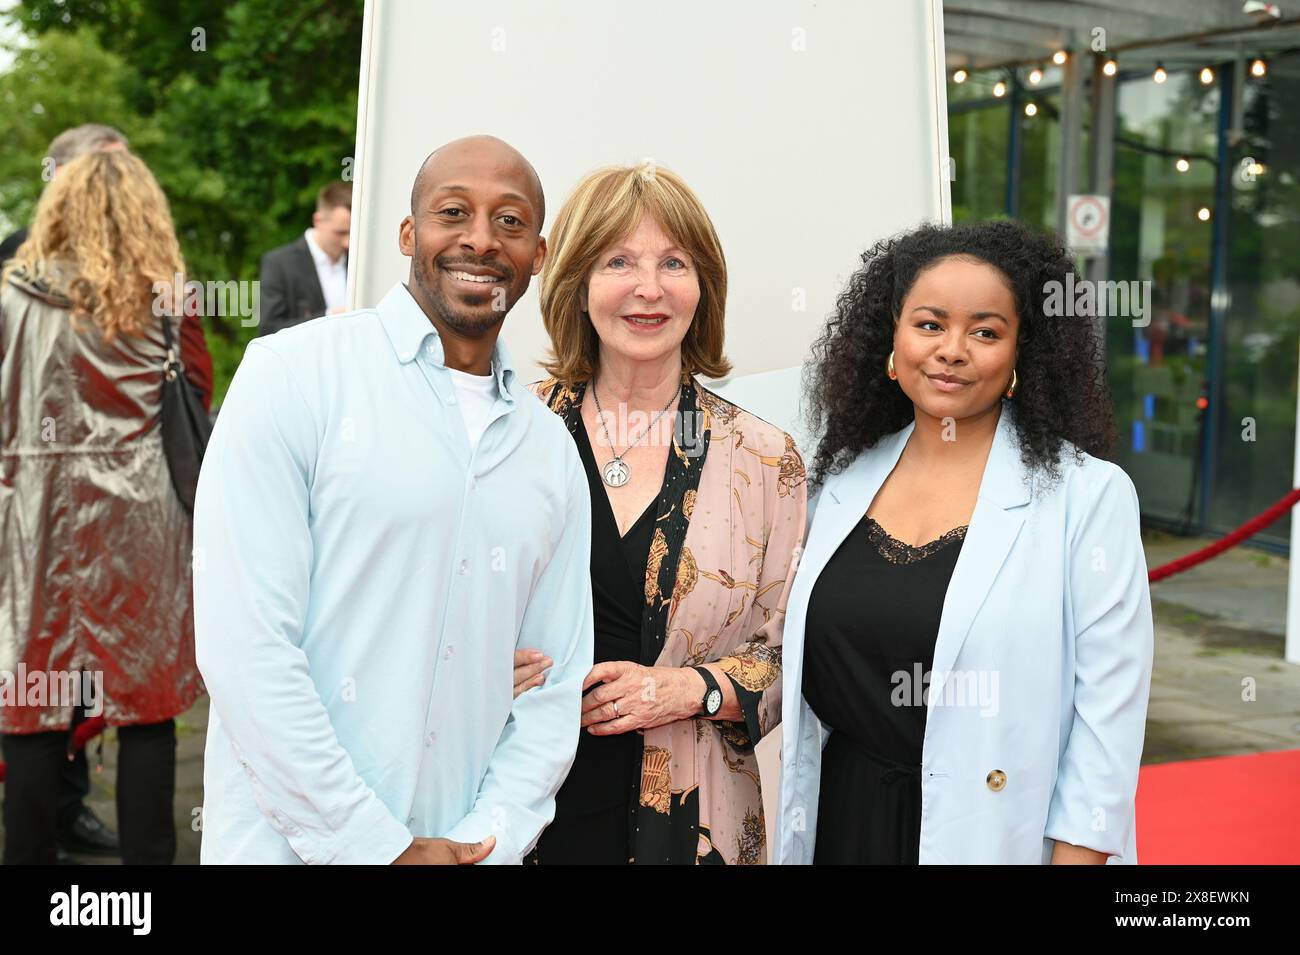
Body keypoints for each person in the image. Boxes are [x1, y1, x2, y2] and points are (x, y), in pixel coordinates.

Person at [193, 135, 593, 864]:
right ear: (409, 234)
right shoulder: (293, 377)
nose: (480, 238)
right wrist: (377, 847)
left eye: (510, 220)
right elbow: (246, 646)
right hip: (286, 849)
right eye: (453, 212)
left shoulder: (550, 450)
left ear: (538, 252)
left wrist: (485, 842)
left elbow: (553, 684)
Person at [776, 220, 1154, 865]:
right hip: (844, 822)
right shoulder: (835, 482)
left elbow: (1108, 717)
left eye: (985, 331)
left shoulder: (1087, 497)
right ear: (892, 341)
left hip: (991, 831)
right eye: (929, 324)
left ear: (1019, 357)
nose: (952, 350)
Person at [518, 161, 807, 865]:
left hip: (690, 822)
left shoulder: (766, 459)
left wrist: (684, 689)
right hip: (521, 813)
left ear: (702, 287)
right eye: (618, 260)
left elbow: (800, 658)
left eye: (673, 262)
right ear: (577, 283)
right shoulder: (511, 432)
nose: (648, 287)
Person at [0, 151, 207, 865]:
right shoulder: (168, 296)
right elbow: (197, 395)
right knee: (147, 710)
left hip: (32, 521)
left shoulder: (7, 294)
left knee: (30, 704)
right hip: (140, 520)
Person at [256, 180, 352, 336]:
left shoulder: (359, 262)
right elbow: (269, 330)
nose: (347, 242)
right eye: (340, 233)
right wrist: (330, 317)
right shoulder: (279, 264)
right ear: (318, 221)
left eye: (352, 233)